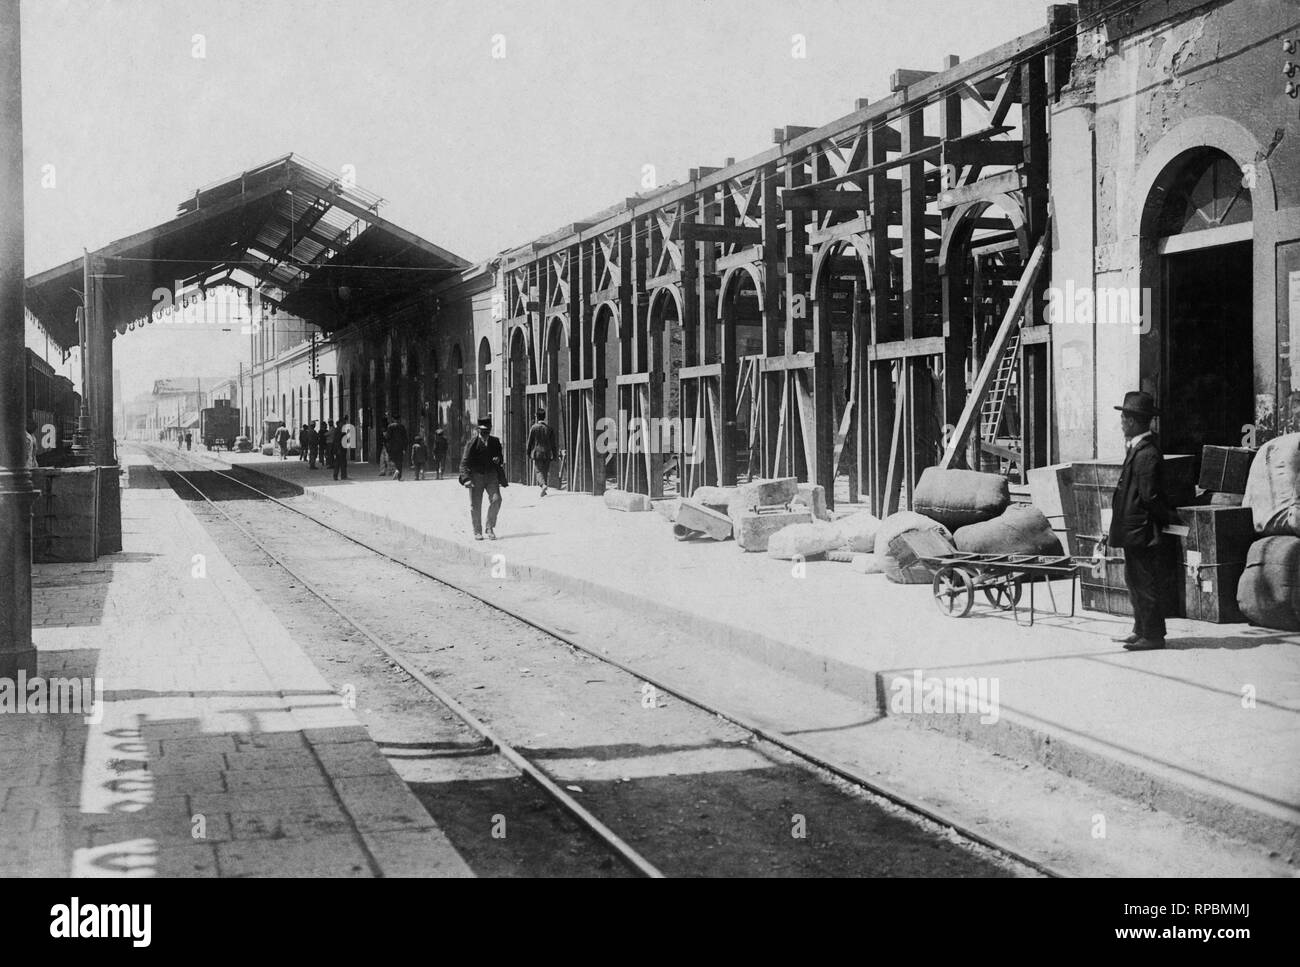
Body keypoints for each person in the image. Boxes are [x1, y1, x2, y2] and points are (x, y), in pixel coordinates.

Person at [1102, 391, 1175, 652]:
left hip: (1142, 530)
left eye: (1123, 418)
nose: (1121, 423)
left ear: (1133, 421)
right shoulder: (1139, 449)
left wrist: (1160, 522)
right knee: (1134, 580)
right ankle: (1140, 629)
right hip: (1133, 528)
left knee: (1145, 582)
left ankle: (1153, 635)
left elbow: (1150, 495)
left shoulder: (1147, 454)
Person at [460, 417, 506, 540]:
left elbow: (500, 457)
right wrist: (466, 479)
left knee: (497, 499)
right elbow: (464, 463)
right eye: (484, 432)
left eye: (488, 431)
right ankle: (477, 531)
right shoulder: (472, 443)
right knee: (476, 505)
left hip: (491, 476)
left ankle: (489, 527)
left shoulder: (495, 442)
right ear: (479, 430)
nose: (486, 434)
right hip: (476, 477)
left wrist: (498, 459)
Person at [526, 410, 558, 497]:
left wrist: (528, 452)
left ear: (537, 417)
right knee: (545, 471)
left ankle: (543, 485)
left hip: (537, 453)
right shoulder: (549, 428)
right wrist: (555, 455)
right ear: (544, 416)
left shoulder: (534, 428)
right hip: (547, 453)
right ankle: (544, 490)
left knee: (539, 471)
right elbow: (553, 444)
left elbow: (530, 442)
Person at [386, 416, 409, 481]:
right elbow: (405, 438)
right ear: (399, 419)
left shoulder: (390, 427)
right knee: (400, 461)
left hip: (392, 447)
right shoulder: (402, 427)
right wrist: (405, 448)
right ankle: (399, 476)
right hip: (400, 447)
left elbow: (388, 437)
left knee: (393, 459)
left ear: (393, 419)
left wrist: (388, 446)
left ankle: (396, 469)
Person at [332, 414, 354, 480]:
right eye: (343, 423)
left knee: (340, 462)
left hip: (341, 448)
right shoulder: (339, 430)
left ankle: (338, 476)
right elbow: (337, 441)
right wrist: (338, 449)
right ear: (340, 423)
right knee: (340, 463)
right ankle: (342, 476)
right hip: (340, 448)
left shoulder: (339, 429)